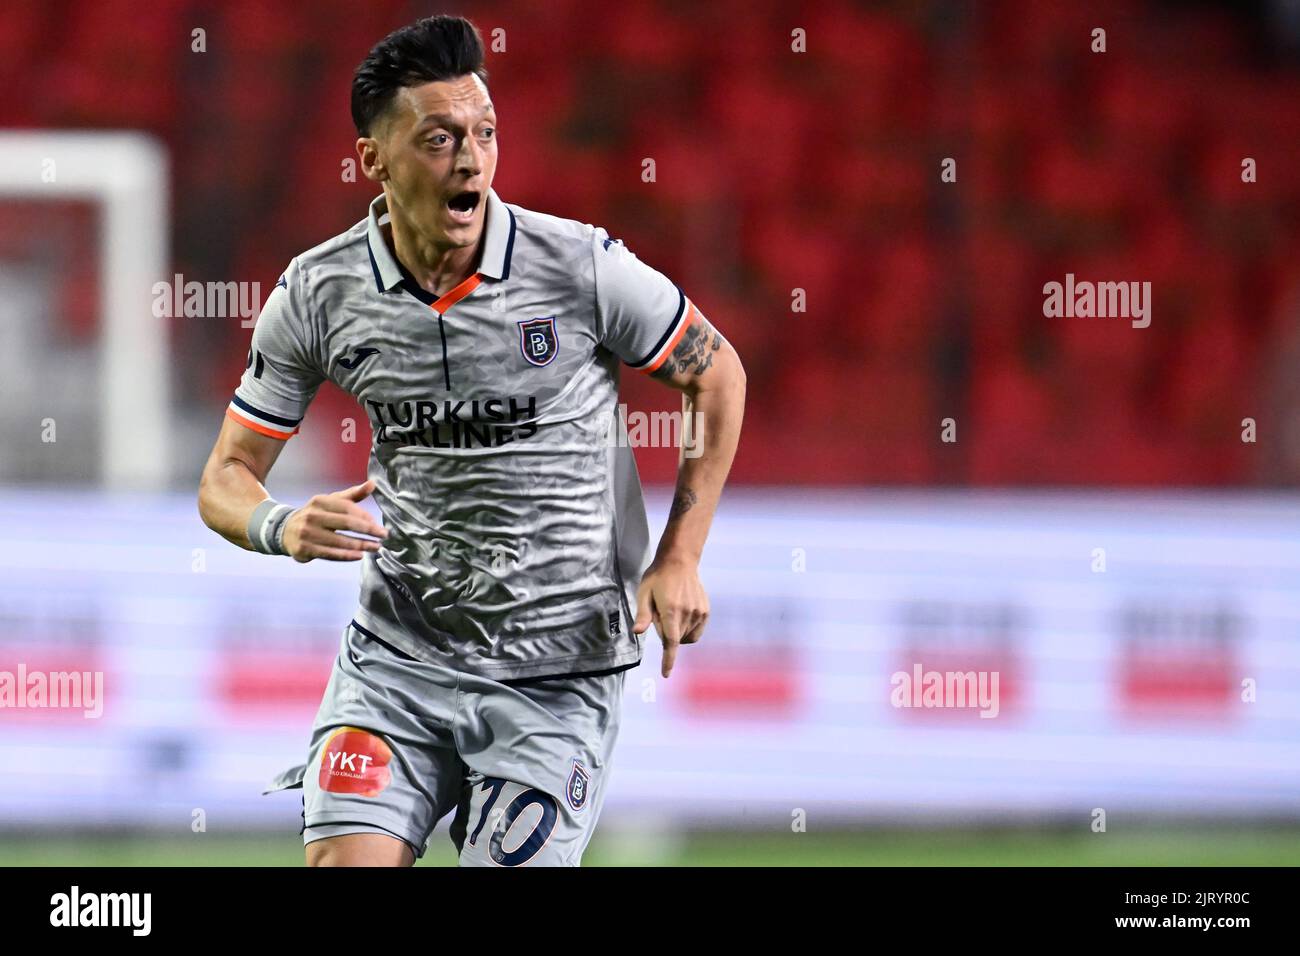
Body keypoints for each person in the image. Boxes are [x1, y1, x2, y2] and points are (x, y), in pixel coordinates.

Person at [197, 15, 745, 866]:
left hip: (557, 673)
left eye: (485, 133)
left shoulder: (576, 265)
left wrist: (682, 553)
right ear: (374, 161)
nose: (471, 159)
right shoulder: (319, 292)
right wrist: (280, 526)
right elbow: (226, 476)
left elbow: (715, 375)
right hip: (398, 660)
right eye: (440, 138)